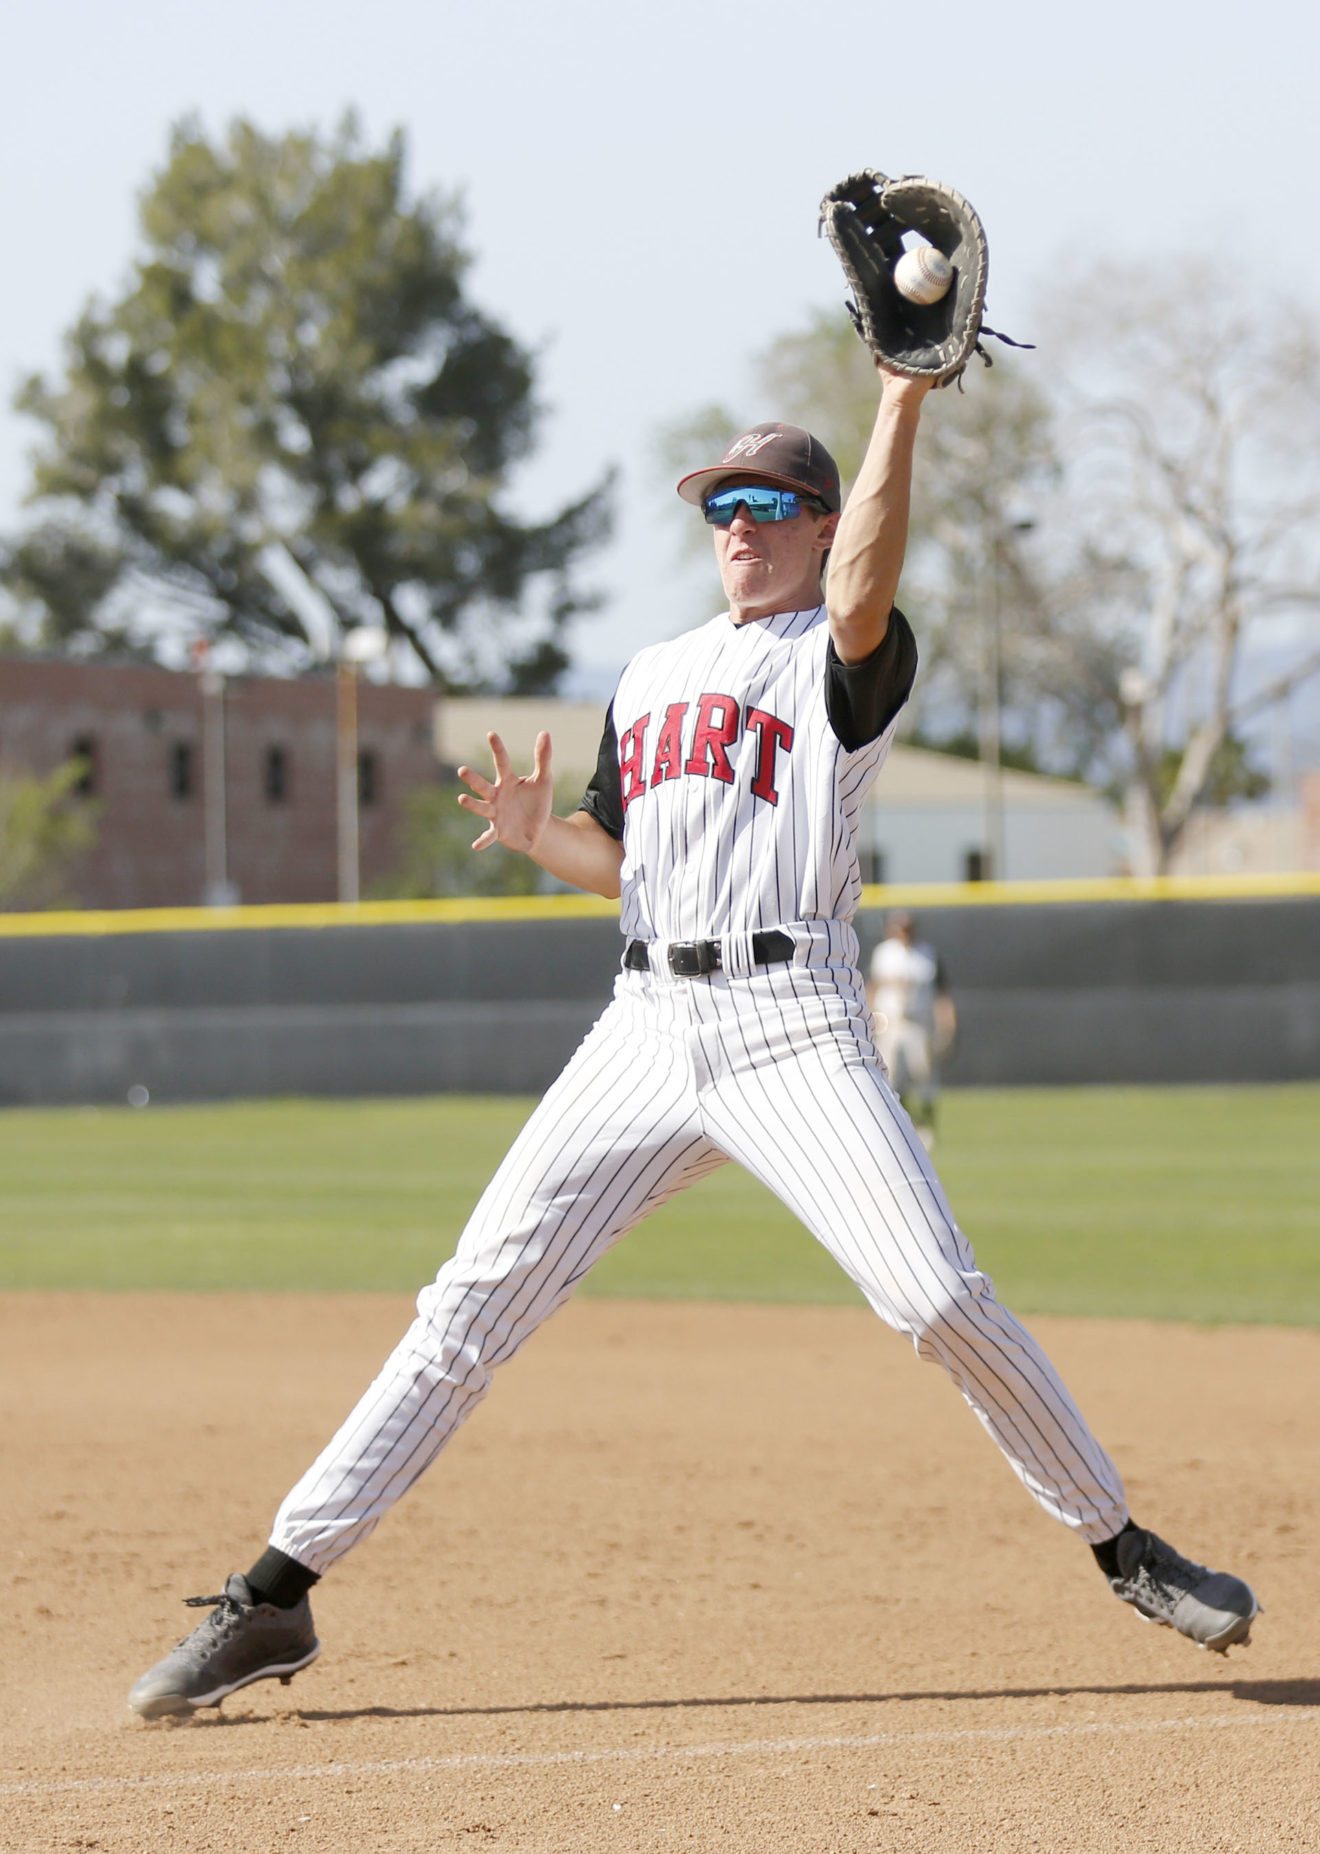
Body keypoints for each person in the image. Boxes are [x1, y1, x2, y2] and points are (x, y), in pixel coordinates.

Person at [128, 370, 1259, 1721]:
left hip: (795, 1024)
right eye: (723, 503)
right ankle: (272, 1595)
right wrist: (553, 837)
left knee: (937, 1297)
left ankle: (1123, 1545)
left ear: (824, 526)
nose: (739, 523)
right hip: (647, 1025)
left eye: (771, 503)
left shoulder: (844, 657)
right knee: (466, 1309)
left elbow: (864, 581)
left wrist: (901, 396)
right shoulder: (653, 671)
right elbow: (626, 864)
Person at [867, 910, 956, 1150]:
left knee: (923, 1074)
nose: (902, 934)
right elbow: (872, 988)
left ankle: (927, 1125)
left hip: (918, 1022)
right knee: (891, 1076)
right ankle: (902, 1126)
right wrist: (868, 1020)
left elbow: (941, 994)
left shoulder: (926, 954)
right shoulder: (884, 953)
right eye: (898, 929)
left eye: (906, 928)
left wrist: (947, 1025)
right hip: (890, 1022)